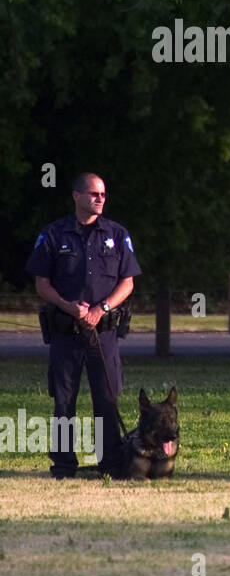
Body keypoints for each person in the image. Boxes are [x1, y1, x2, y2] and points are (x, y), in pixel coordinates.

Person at [25, 173, 140, 478]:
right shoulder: (53, 234)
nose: (100, 199)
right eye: (93, 194)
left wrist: (102, 308)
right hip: (67, 333)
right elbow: (42, 283)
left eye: (103, 194)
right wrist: (69, 307)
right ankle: (63, 466)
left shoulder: (116, 233)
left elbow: (127, 283)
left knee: (107, 399)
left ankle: (112, 464)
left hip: (103, 334)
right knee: (63, 402)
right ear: (76, 196)